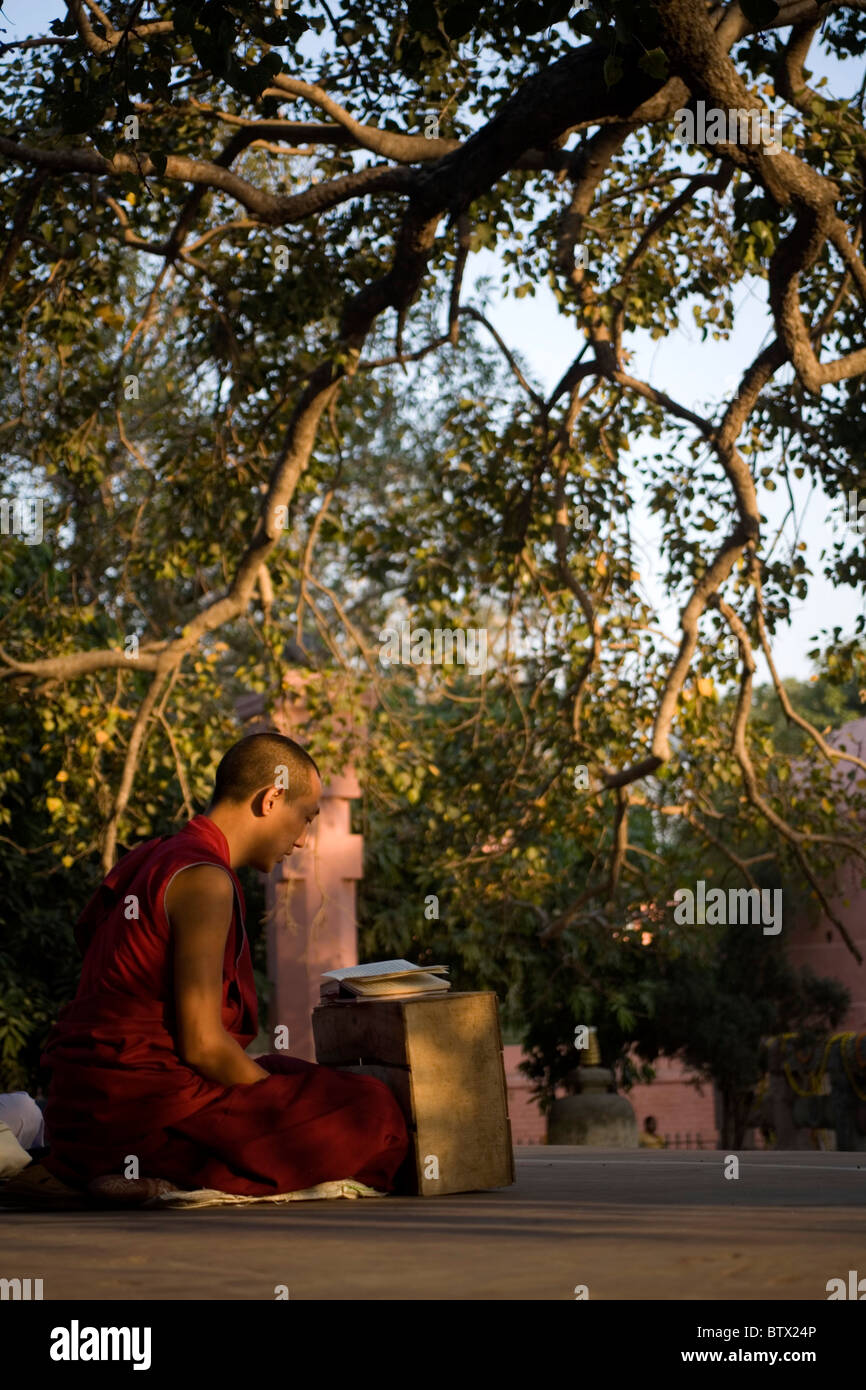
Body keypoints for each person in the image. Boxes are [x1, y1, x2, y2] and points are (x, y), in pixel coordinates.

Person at [38, 732, 410, 1201]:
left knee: (289, 1070)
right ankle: (158, 1174)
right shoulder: (204, 878)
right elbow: (203, 1046)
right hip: (142, 1117)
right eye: (305, 818)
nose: (301, 840)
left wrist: (277, 1086)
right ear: (270, 799)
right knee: (373, 1113)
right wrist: (272, 1102)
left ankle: (128, 1169)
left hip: (83, 1109)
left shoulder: (154, 857)